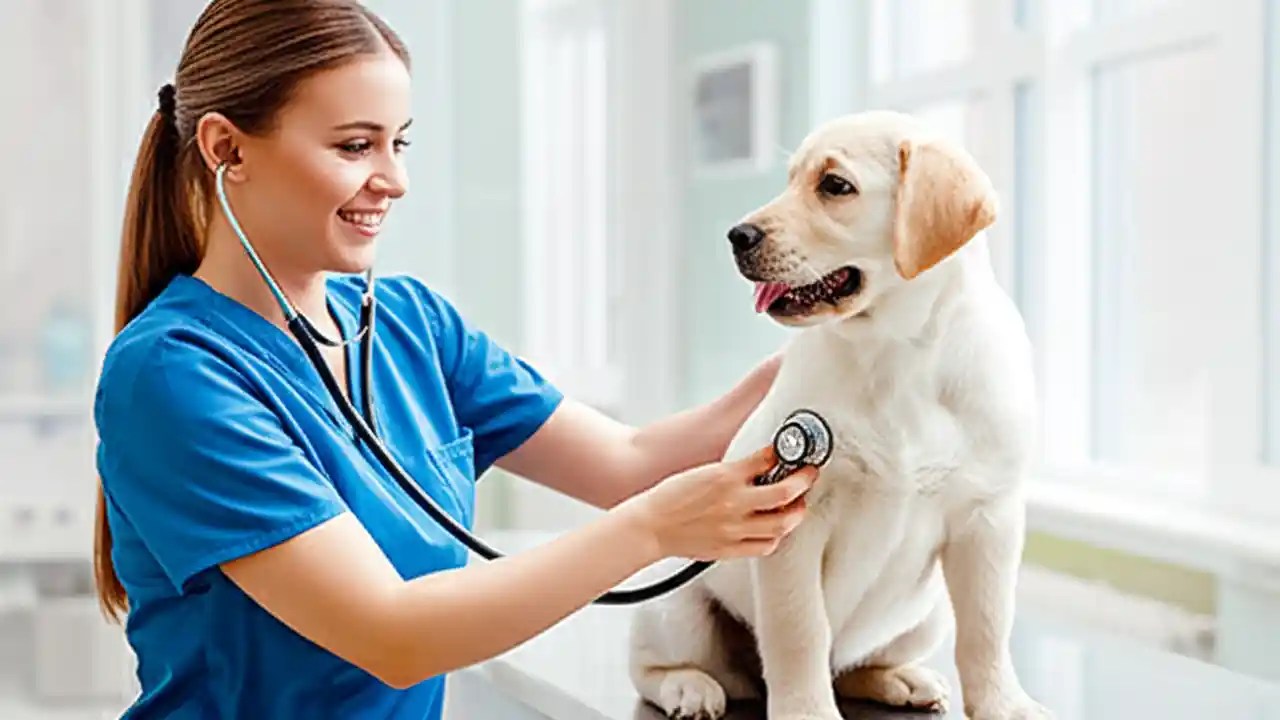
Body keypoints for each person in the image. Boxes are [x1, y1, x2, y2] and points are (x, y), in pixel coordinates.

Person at [91, 1, 816, 718]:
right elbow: (392, 634)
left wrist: (837, 353)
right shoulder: (174, 374)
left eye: (398, 143)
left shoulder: (411, 325)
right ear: (228, 150)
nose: (393, 179)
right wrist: (652, 531)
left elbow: (632, 463)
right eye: (354, 146)